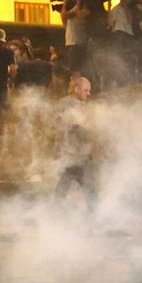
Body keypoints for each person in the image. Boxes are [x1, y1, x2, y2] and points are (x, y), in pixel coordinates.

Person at [54, 75, 97, 206]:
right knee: (67, 189)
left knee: (89, 190)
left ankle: (94, 211)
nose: (89, 94)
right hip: (72, 155)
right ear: (77, 89)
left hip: (82, 155)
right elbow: (56, 125)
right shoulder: (63, 105)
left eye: (89, 91)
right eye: (86, 90)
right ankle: (55, 210)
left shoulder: (84, 106)